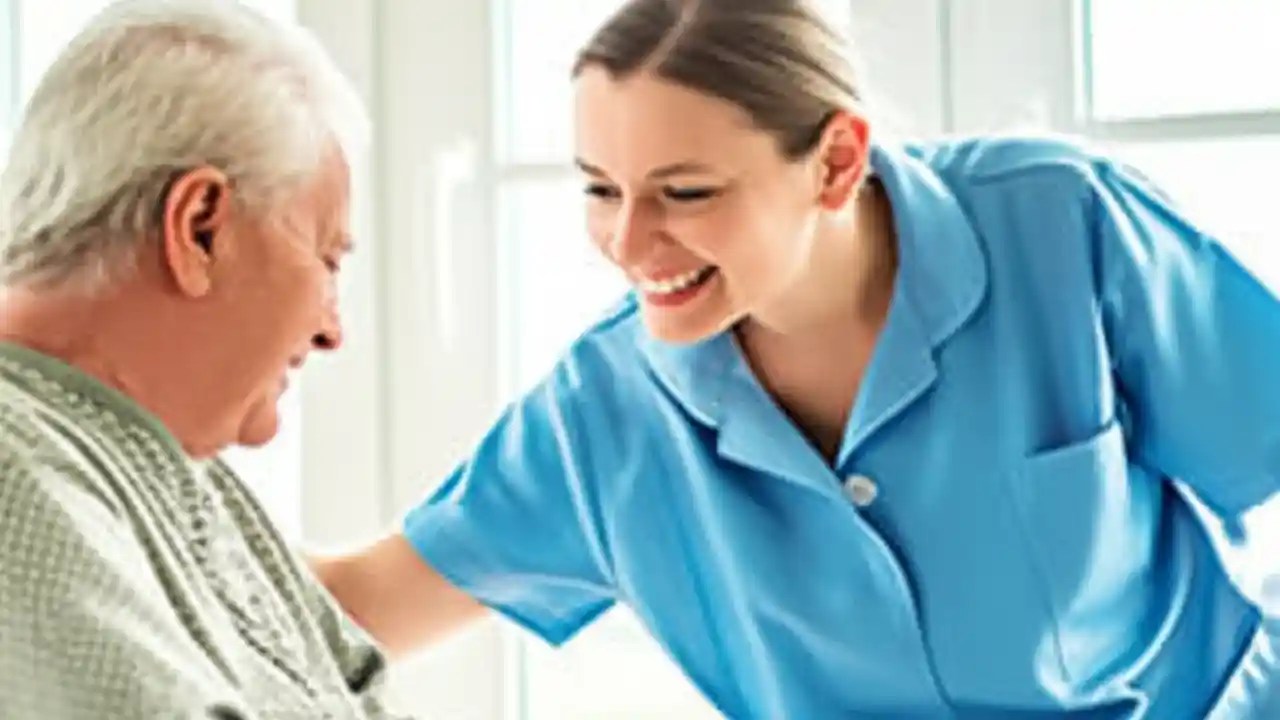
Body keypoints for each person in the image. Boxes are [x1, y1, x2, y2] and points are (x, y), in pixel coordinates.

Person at [315, 0, 1280, 717]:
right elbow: (358, 605)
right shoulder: (604, 413)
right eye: (601, 190)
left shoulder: (1062, 224)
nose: (630, 242)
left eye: (685, 192)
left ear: (834, 161)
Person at [0, 1, 409, 718]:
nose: (332, 331)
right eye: (325, 258)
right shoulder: (18, 476)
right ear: (199, 228)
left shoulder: (175, 473)